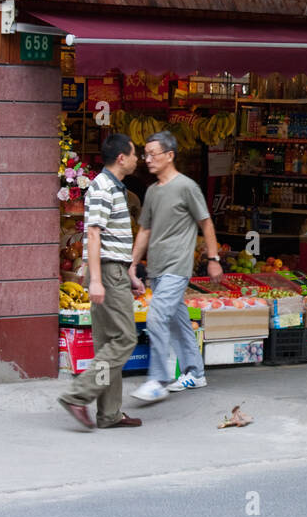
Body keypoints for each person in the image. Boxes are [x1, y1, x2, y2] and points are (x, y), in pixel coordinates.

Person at [129, 131, 223, 403]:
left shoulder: (186, 187)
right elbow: (145, 230)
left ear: (170, 155)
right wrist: (132, 264)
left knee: (156, 318)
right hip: (157, 269)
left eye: (153, 154)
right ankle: (196, 373)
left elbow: (206, 222)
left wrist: (213, 259)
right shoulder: (152, 191)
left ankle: (158, 380)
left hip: (177, 267)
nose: (147, 159)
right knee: (178, 322)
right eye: (145, 154)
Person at [58, 133, 143, 429]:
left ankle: (109, 413)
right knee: (125, 338)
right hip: (108, 273)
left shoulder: (112, 187)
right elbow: (93, 233)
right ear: (121, 158)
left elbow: (106, 238)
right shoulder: (104, 187)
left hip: (113, 271)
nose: (137, 159)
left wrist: (128, 273)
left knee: (109, 342)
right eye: (134, 154)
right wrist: (96, 279)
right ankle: (78, 395)